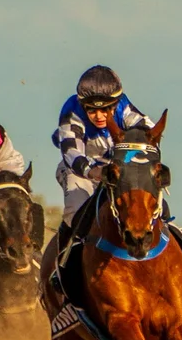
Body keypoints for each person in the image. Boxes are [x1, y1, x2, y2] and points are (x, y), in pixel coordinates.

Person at [50, 65, 153, 246]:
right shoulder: (72, 112)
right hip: (80, 171)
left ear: (115, 104)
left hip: (117, 170)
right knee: (75, 210)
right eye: (91, 110)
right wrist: (93, 171)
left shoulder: (125, 108)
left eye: (105, 110)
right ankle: (63, 261)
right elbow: (71, 153)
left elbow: (148, 130)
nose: (99, 116)